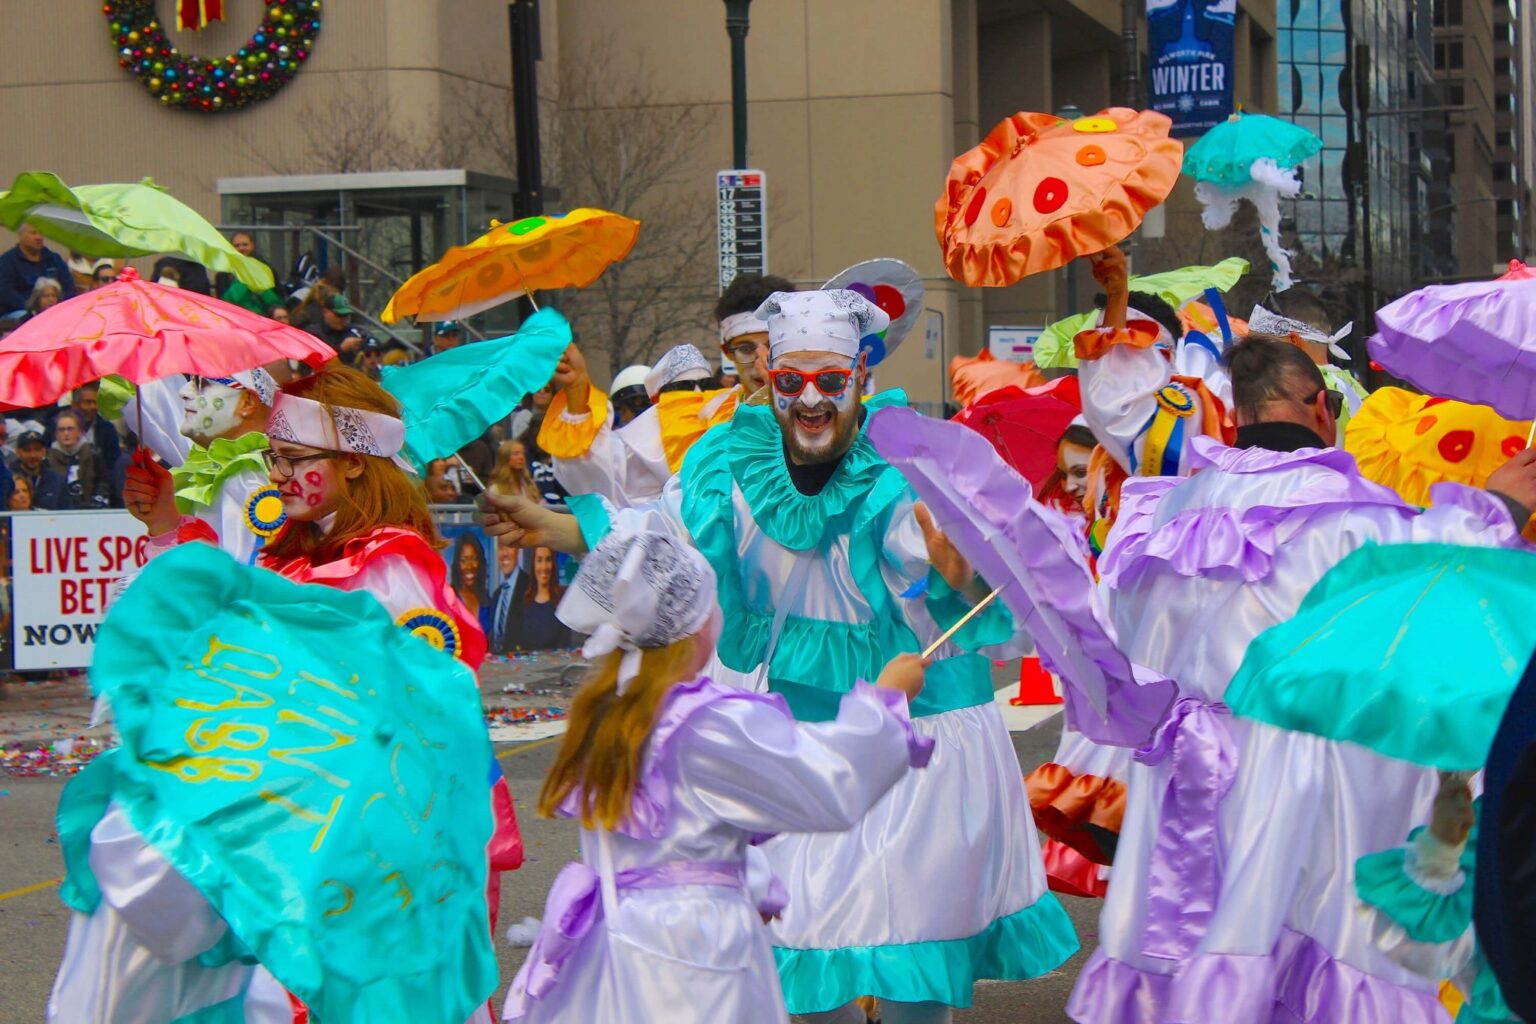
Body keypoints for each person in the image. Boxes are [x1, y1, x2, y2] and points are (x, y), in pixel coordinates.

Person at [484, 289, 1077, 1024]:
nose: (810, 401)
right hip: (794, 738)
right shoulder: (726, 462)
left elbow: (1007, 608)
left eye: (830, 381)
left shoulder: (912, 469)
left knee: (911, 968)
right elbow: (659, 536)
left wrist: (965, 573)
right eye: (792, 381)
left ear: (861, 375)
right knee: (804, 956)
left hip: (924, 746)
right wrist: (553, 524)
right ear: (769, 377)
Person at [1066, 335, 1536, 1024]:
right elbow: (1433, 580)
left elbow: (1122, 623)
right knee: (1311, 942)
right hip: (1303, 772)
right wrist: (1500, 508)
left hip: (1185, 772)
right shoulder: (1351, 510)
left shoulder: (1169, 510)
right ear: (1320, 406)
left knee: (1200, 945)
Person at [119, 365, 523, 1021]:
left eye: (293, 459)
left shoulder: (390, 567)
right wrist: (166, 523)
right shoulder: (295, 555)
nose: (277, 475)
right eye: (275, 458)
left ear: (356, 463)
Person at [503, 530, 934, 1024]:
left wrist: (748, 877)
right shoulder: (704, 724)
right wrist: (884, 705)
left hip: (617, 941)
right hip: (692, 947)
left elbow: (678, 838)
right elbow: (826, 783)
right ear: (695, 627)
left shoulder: (611, 707)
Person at [539, 342, 741, 507]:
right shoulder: (633, 442)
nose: (697, 394)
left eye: (706, 386)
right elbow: (588, 469)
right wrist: (576, 391)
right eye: (684, 388)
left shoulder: (740, 416)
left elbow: (588, 471)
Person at [122, 370, 277, 566]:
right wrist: (164, 521)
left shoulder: (248, 475)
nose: (184, 392)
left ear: (247, 402)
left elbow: (230, 586)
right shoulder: (223, 472)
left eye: (203, 385)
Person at [1248, 289, 1366, 442]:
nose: (1251, 356)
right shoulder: (1355, 388)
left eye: (1259, 346)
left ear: (1293, 341)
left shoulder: (1296, 392)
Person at [0, 224, 74, 317]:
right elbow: (6, 292)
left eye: (41, 233)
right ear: (19, 235)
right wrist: (30, 310)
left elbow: (69, 288)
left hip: (54, 310)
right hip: (20, 311)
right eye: (33, 233)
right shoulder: (7, 261)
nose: (39, 237)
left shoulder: (54, 259)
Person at [506, 546, 572, 652]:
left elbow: (566, 646)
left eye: (548, 560)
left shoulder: (563, 602)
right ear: (534, 564)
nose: (544, 567)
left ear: (554, 565)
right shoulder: (523, 602)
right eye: (539, 560)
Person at [62, 382, 122, 491]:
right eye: (87, 402)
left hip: (99, 482)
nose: (93, 407)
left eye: (95, 403)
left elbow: (113, 461)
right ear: (75, 405)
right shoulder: (59, 426)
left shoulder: (107, 428)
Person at [48, 410, 111, 509]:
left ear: (79, 431)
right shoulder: (48, 457)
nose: (66, 433)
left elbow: (102, 481)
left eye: (70, 429)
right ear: (56, 434)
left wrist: (98, 498)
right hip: (59, 510)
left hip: (89, 507)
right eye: (61, 430)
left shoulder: (93, 453)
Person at [451, 532, 493, 638]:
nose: (469, 566)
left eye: (474, 559)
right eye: (463, 560)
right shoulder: (450, 598)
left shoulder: (486, 600)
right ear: (457, 564)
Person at [488, 538, 525, 656]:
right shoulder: (496, 595)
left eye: (509, 546)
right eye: (501, 547)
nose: (504, 553)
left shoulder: (529, 588)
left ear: (518, 551)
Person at [13, 431, 66, 510]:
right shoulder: (8, 480)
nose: (33, 455)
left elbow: (66, 512)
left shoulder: (58, 480)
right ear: (18, 452)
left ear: (44, 451)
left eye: (37, 450)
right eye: (27, 450)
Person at [308, 293, 366, 365]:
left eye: (346, 315)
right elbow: (317, 362)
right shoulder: (314, 334)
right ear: (325, 312)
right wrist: (341, 349)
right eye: (339, 315)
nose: (343, 319)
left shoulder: (352, 333)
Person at [488, 439, 543, 504]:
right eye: (516, 454)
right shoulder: (496, 489)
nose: (521, 457)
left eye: (523, 454)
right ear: (505, 457)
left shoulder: (529, 485)